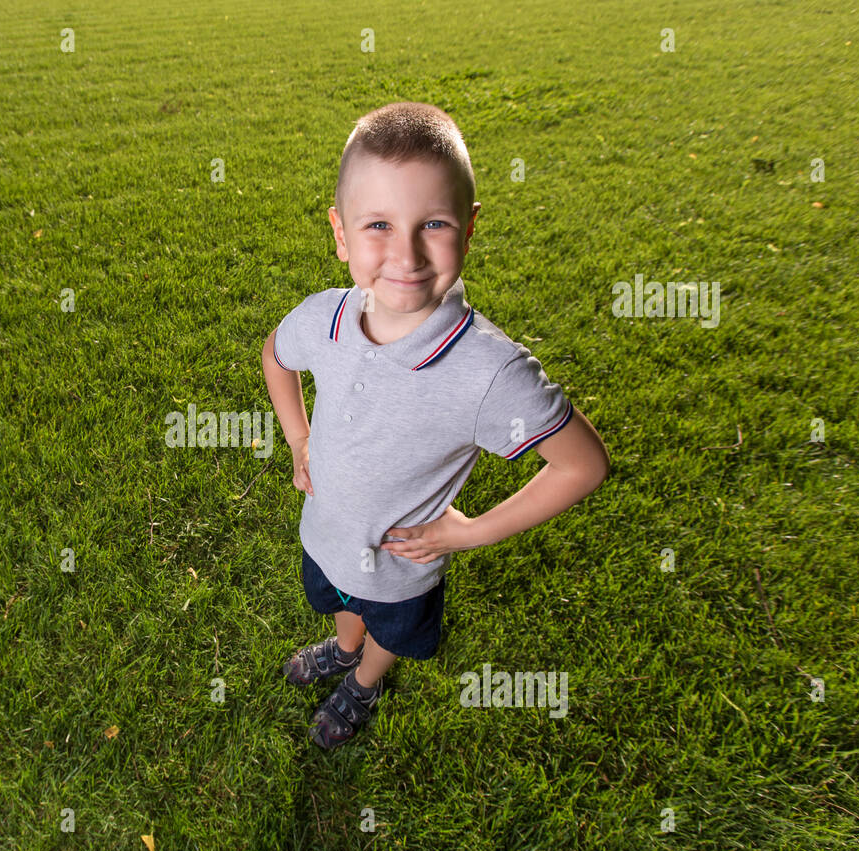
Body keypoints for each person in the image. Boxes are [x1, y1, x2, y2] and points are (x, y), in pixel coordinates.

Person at [261, 102, 610, 749]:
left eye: (435, 223)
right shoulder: (325, 317)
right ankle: (342, 650)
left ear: (470, 228)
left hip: (401, 570)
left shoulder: (487, 370)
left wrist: (472, 531)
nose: (406, 253)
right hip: (325, 533)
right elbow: (274, 356)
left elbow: (582, 464)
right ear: (340, 233)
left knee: (387, 634)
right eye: (378, 225)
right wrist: (298, 438)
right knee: (339, 604)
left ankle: (363, 682)